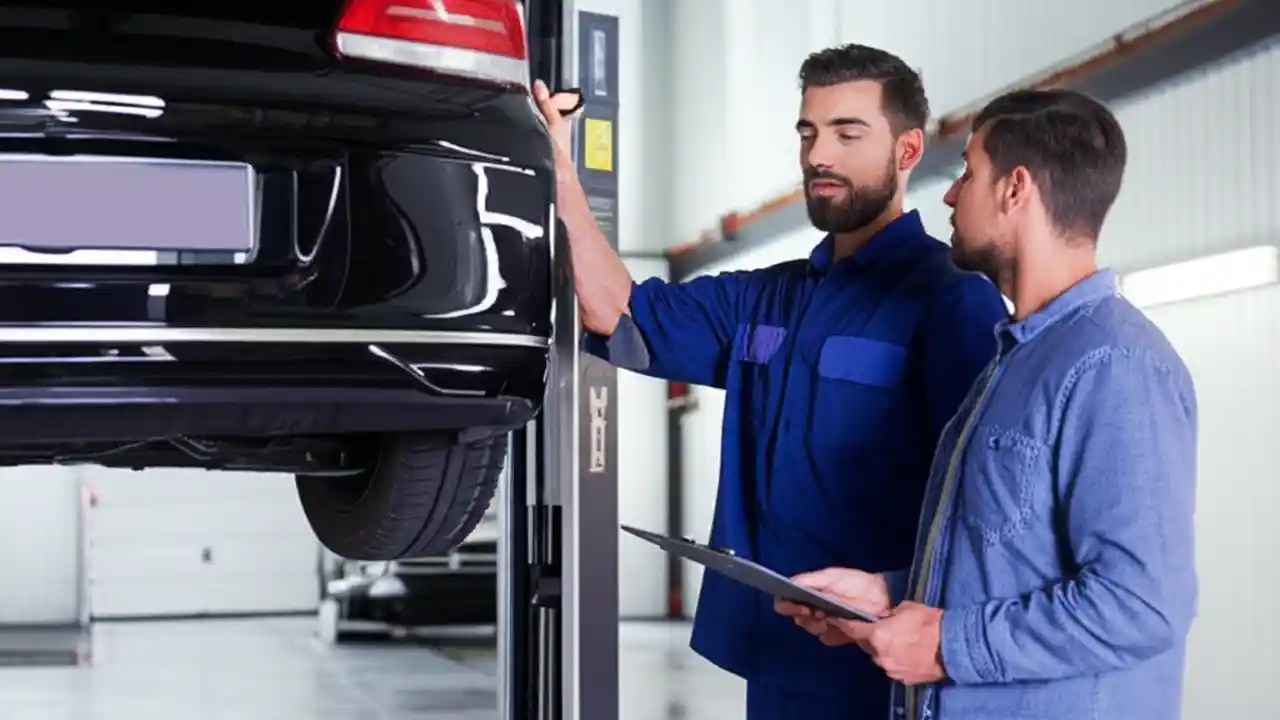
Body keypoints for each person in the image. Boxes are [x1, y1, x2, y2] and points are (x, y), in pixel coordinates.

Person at [534, 44, 1009, 717]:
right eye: (809, 132)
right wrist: (560, 173)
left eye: (848, 133)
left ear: (906, 153)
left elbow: (988, 506)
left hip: (885, 668)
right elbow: (618, 310)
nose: (820, 155)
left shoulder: (953, 300)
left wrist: (912, 601)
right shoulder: (767, 297)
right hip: (780, 655)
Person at [777, 87, 1199, 720]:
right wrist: (887, 597)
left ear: (1014, 189)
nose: (949, 195)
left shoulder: (1115, 365)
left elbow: (1140, 606)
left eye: (967, 172)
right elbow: (1007, 562)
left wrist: (946, 644)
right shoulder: (1017, 357)